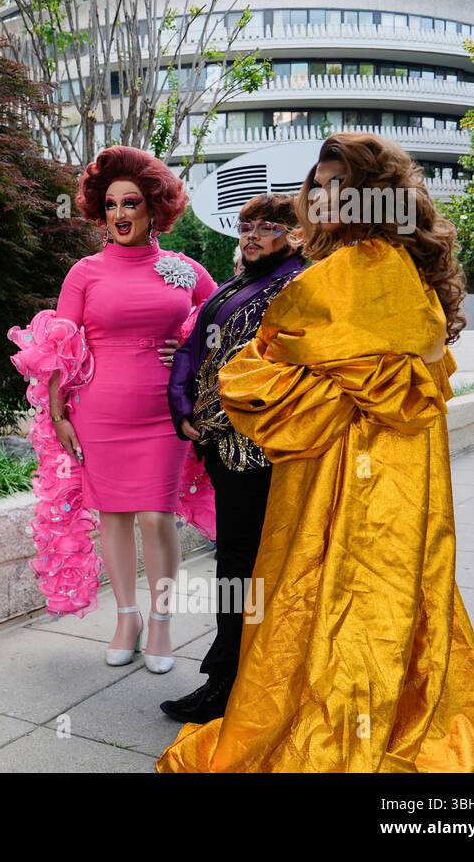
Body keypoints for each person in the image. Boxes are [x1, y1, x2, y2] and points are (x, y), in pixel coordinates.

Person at [157, 132, 474, 771]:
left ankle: (335, 718)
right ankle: (387, 708)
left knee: (329, 588)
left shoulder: (351, 271)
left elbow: (257, 374)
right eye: (320, 184)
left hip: (346, 463)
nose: (326, 195)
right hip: (397, 468)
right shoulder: (394, 265)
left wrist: (243, 379)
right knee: (385, 590)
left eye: (344, 185)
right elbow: (416, 369)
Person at [8, 146, 217, 671]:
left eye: (131, 203)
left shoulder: (185, 270)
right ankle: (128, 617)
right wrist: (58, 416)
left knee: (156, 515)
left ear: (154, 208)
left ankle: (163, 622)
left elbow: (224, 328)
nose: (120, 215)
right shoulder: (84, 272)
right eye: (111, 206)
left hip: (164, 414)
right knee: (114, 518)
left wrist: (189, 349)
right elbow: (60, 345)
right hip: (98, 413)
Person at [160, 193, 305, 724]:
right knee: (237, 566)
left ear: (297, 234)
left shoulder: (298, 285)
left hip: (262, 451)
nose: (251, 234)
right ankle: (229, 678)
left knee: (250, 568)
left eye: (267, 226)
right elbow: (193, 352)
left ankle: (233, 684)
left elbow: (278, 371)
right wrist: (183, 411)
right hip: (222, 447)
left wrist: (214, 418)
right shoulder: (235, 286)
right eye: (246, 225)